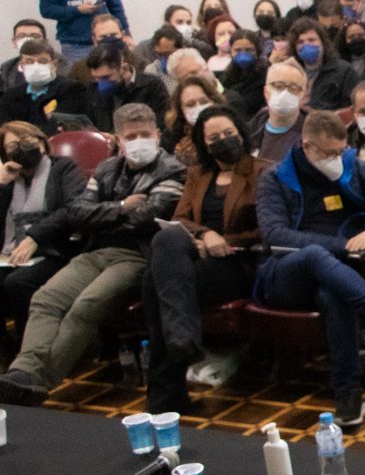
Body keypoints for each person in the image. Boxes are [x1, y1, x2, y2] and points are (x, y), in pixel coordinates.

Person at [0, 104, 185, 405]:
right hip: (94, 251)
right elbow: (76, 213)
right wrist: (122, 206)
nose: (138, 141)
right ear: (118, 140)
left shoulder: (173, 169)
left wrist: (102, 214)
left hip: (136, 255)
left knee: (86, 306)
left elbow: (146, 218)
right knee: (45, 298)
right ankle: (23, 371)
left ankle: (37, 381)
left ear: (157, 135)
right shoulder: (106, 168)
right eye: (131, 137)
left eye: (145, 134)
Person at [253, 110, 365, 426]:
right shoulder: (275, 178)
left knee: (334, 295)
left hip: (336, 275)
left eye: (341, 151)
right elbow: (275, 235)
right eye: (330, 153)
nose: (337, 159)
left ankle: (348, 393)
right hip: (285, 273)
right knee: (315, 254)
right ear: (308, 147)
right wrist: (343, 246)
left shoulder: (349, 164)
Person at [140, 107, 268, 414]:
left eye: (228, 133)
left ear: (241, 133)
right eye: (214, 137)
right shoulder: (198, 174)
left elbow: (267, 227)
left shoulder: (263, 171)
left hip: (238, 263)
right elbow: (181, 218)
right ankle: (181, 339)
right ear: (204, 143)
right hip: (196, 256)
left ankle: (164, 396)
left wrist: (223, 240)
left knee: (152, 283)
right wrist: (204, 235)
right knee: (165, 239)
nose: (223, 140)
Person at [0, 121, 86, 342]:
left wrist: (34, 237)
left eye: (25, 141)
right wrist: (2, 185)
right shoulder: (10, 179)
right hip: (12, 253)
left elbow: (72, 209)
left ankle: (29, 345)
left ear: (41, 142)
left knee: (17, 283)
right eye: (12, 146)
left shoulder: (63, 168)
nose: (20, 149)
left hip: (56, 249)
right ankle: (6, 347)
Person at [83, 42, 171, 135]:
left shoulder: (151, 86)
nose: (101, 83)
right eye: (96, 78)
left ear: (123, 68)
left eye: (106, 77)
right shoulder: (92, 88)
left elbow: (162, 122)